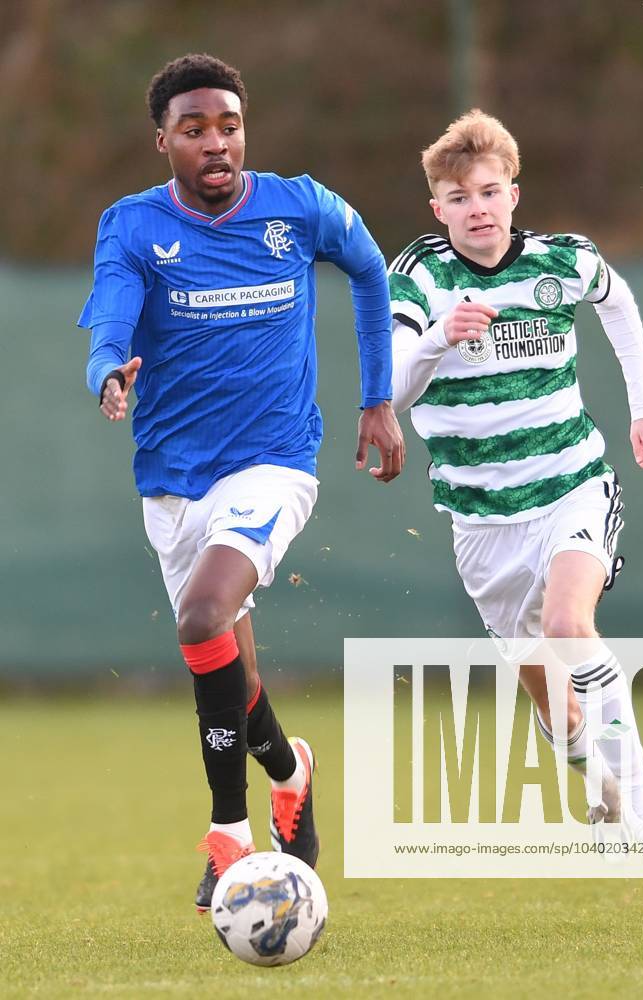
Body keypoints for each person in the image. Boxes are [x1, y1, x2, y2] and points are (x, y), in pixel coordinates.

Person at [79, 53, 405, 911]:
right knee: (223, 663)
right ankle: (289, 771)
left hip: (275, 462)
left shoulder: (299, 207)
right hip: (173, 482)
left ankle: (229, 835)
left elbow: (371, 271)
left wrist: (378, 398)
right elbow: (110, 314)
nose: (216, 142)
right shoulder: (132, 225)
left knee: (200, 615)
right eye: (194, 129)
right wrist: (109, 368)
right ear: (164, 142)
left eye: (228, 125)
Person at [388, 109, 643, 879]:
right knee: (546, 690)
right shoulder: (420, 279)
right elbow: (387, 392)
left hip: (571, 485)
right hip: (481, 520)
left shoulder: (562, 260)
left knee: (567, 622)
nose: (478, 208)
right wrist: (437, 337)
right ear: (438, 209)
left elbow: (616, 302)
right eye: (459, 198)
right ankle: (603, 783)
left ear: (514, 194)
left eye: (490, 192)